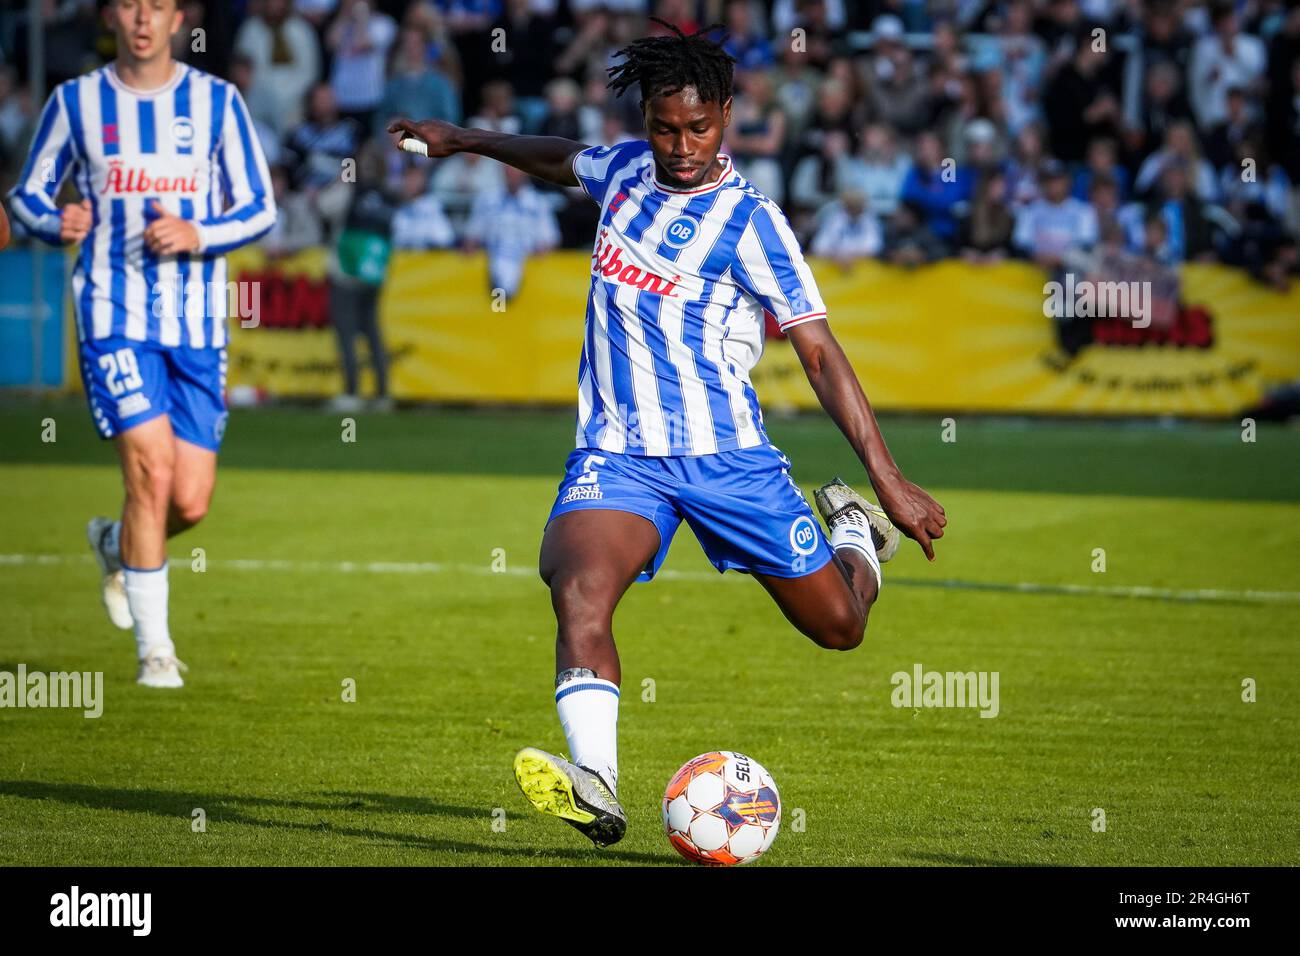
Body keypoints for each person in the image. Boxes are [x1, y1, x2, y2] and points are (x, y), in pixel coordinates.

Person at [388, 19, 946, 848]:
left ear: (725, 116)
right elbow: (559, 156)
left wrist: (889, 478)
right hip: (619, 455)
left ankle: (856, 538)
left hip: (730, 460)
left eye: (698, 127)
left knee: (840, 628)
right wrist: (464, 139)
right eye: (662, 125)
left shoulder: (752, 223)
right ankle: (597, 782)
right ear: (644, 117)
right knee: (576, 587)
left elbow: (820, 354)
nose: (680, 146)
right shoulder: (620, 172)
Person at [7, 0, 277, 687]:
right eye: (129, 4)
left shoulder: (218, 102)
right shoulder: (76, 102)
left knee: (189, 500)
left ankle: (112, 542)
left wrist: (199, 233)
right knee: (151, 471)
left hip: (195, 325)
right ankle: (157, 652)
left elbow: (259, 205)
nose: (143, 18)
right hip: (112, 313)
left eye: (157, 5)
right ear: (111, 16)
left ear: (179, 17)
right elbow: (25, 196)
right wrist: (54, 218)